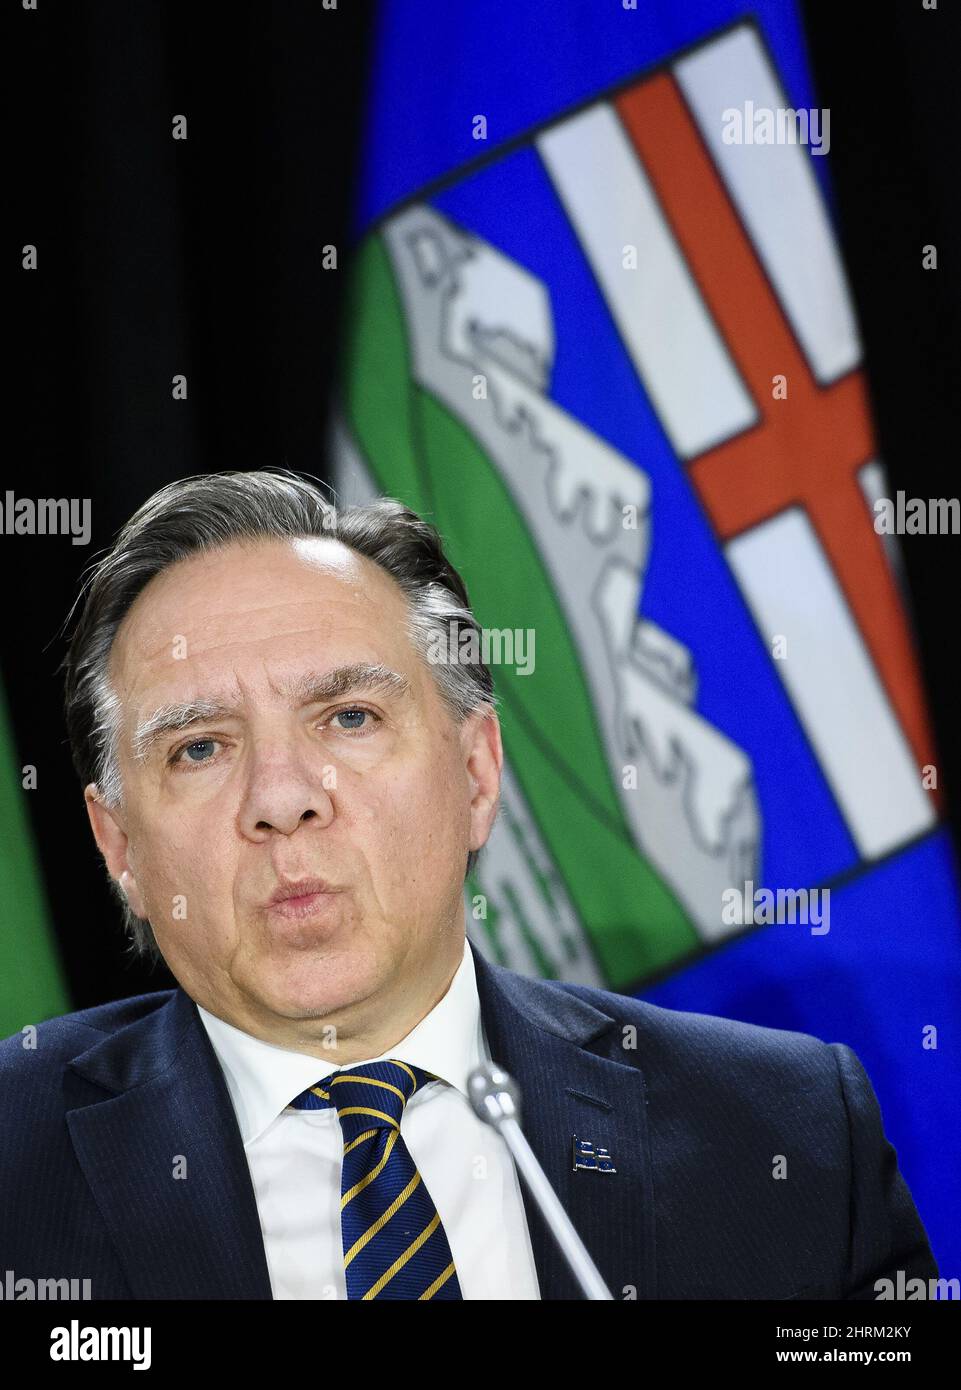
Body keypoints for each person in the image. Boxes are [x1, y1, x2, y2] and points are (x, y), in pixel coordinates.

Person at [0, 469, 938, 1300]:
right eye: (200, 748)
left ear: (476, 776)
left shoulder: (787, 1138)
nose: (282, 800)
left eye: (349, 717)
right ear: (118, 845)